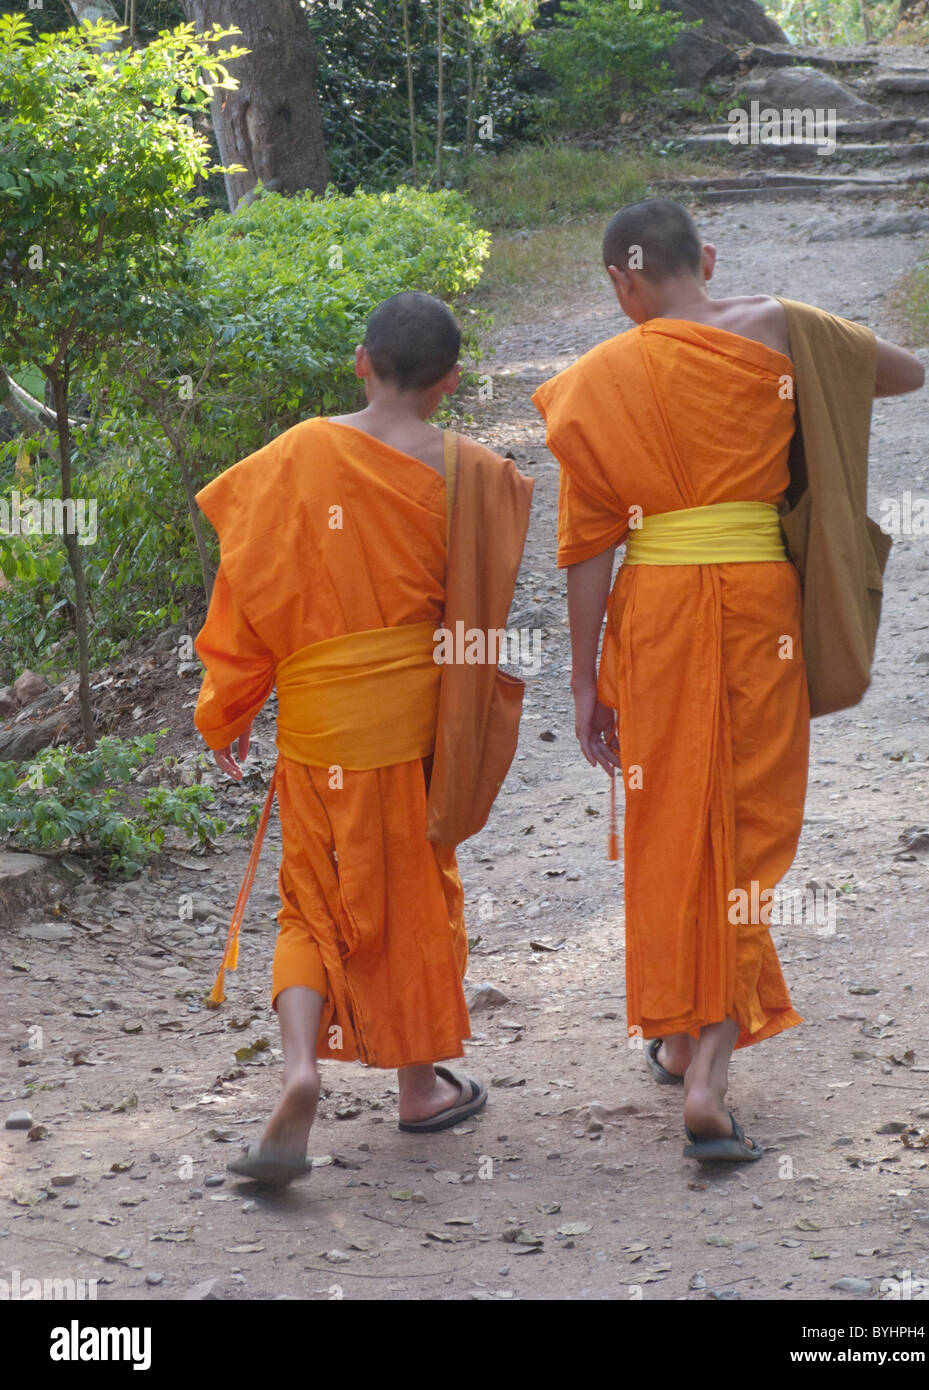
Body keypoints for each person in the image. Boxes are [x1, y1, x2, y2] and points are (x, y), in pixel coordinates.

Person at [531, 200, 924, 1162]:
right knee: (743, 830)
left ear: (621, 282)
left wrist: (582, 682)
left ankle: (678, 1034)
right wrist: (798, 326)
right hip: (757, 606)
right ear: (702, 257)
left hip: (654, 613)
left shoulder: (595, 381)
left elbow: (588, 549)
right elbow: (904, 375)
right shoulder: (778, 331)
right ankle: (702, 1073)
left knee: (672, 823)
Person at [193, 291, 533, 1185]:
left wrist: (226, 710)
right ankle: (417, 1091)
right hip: (415, 727)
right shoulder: (475, 474)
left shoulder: (298, 455)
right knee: (416, 899)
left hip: (315, 728)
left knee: (310, 901)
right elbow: (481, 614)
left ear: (359, 361)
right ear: (450, 382)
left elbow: (246, 597)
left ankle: (300, 1069)